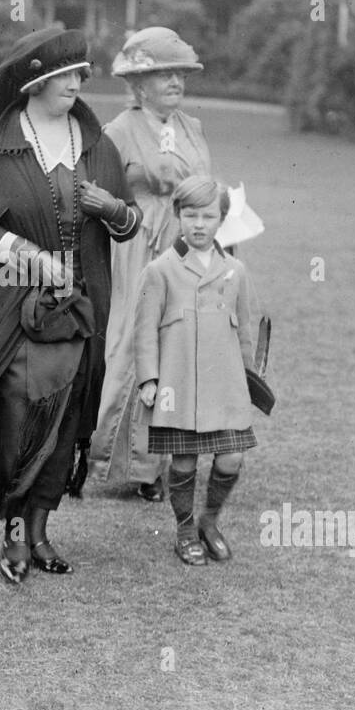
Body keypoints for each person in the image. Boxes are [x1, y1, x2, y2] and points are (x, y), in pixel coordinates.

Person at [0, 27, 141, 581]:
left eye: (81, 75)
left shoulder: (95, 143)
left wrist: (113, 209)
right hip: (17, 306)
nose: (78, 83)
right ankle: (11, 531)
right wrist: (30, 257)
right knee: (18, 413)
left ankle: (41, 530)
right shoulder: (1, 144)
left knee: (71, 411)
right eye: (68, 75)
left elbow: (130, 225)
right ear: (37, 80)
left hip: (83, 306)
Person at [89, 27, 212, 503]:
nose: (174, 81)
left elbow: (204, 188)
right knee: (132, 345)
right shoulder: (117, 132)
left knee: (178, 347)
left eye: (179, 72)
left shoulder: (193, 128)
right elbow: (99, 197)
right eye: (162, 73)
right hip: (137, 246)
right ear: (139, 84)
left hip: (188, 248)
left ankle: (158, 464)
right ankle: (110, 458)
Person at [135, 176, 258, 566]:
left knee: (231, 458)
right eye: (190, 215)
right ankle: (185, 530)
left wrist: (250, 380)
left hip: (226, 387)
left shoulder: (235, 270)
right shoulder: (160, 270)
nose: (199, 224)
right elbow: (145, 331)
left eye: (208, 216)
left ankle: (209, 522)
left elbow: (245, 331)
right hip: (179, 386)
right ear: (178, 215)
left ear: (222, 219)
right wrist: (150, 379)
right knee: (184, 462)